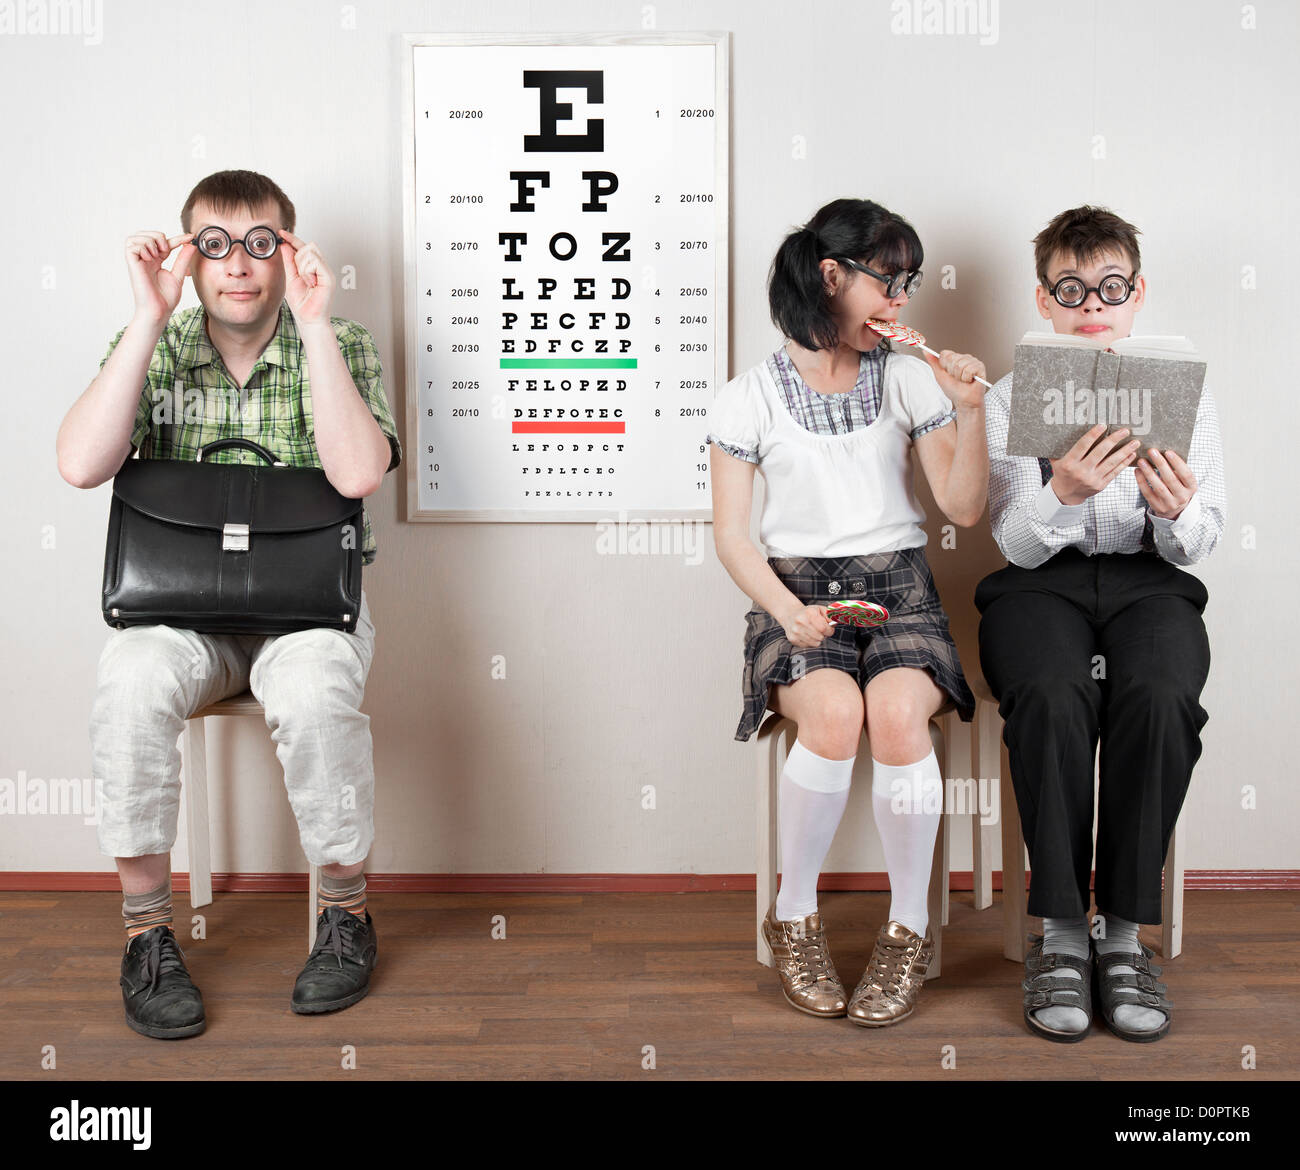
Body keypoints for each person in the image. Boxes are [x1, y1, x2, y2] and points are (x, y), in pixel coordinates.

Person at [55, 169, 402, 1039]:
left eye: (259, 244)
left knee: (318, 692)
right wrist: (146, 318)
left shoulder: (344, 340)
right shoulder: (157, 345)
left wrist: (316, 327)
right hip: (180, 616)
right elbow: (81, 463)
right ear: (188, 255)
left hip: (309, 613)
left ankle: (347, 917)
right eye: (214, 244)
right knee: (130, 683)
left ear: (288, 253)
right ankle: (146, 935)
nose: (237, 265)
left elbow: (359, 475)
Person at [708, 198, 986, 1026]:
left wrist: (969, 410)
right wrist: (787, 613)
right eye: (887, 283)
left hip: (899, 587)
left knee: (897, 714)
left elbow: (964, 509)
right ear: (830, 276)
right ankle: (794, 914)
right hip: (791, 594)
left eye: (909, 285)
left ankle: (908, 929)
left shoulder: (905, 378)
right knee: (831, 715)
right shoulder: (747, 398)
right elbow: (732, 539)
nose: (900, 305)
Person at [976, 205, 1227, 1042]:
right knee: (1049, 694)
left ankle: (1121, 937)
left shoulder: (1185, 392)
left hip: (1149, 583)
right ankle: (1057, 934)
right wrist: (1063, 495)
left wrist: (1176, 512)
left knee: (1159, 696)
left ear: (1136, 294)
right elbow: (1011, 542)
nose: (1093, 302)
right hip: (1038, 587)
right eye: (1072, 288)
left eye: (1111, 287)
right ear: (1044, 299)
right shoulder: (1012, 396)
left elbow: (1202, 541)